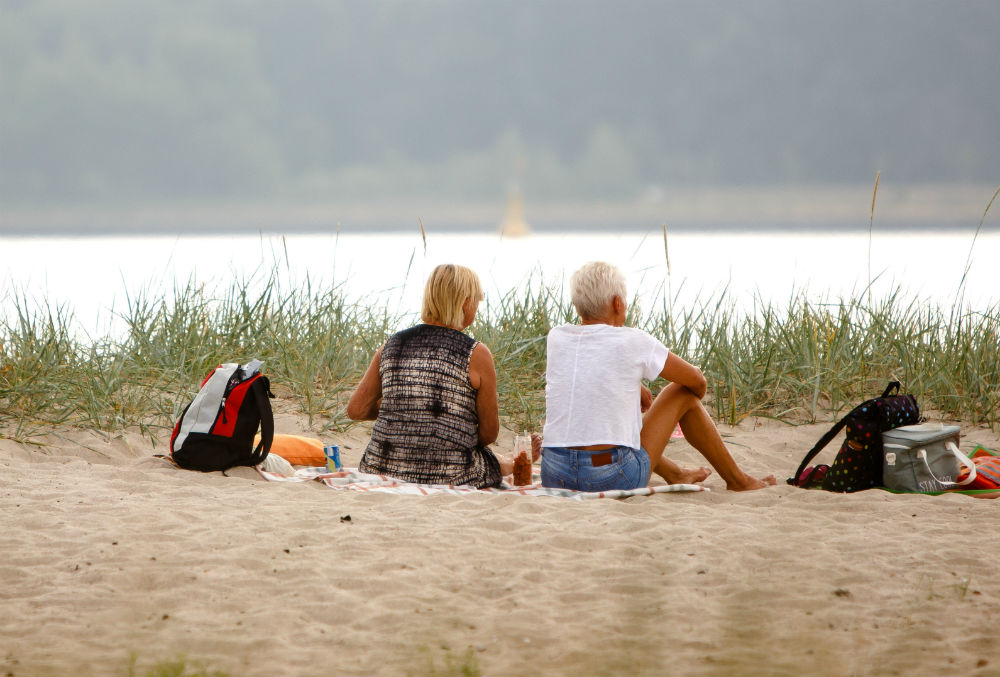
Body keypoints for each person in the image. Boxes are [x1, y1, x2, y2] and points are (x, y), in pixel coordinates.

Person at [541, 261, 776, 492]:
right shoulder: (633, 340)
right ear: (617, 303)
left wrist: (632, 388)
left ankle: (675, 473)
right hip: (609, 476)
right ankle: (738, 480)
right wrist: (687, 404)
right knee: (681, 392)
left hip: (554, 473)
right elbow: (696, 381)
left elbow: (592, 377)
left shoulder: (557, 337)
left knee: (605, 424)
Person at [347, 264, 509, 488]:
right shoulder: (476, 353)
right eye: (476, 301)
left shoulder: (392, 344)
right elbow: (489, 433)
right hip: (450, 475)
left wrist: (401, 407)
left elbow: (356, 410)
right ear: (464, 302)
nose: (477, 307)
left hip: (380, 468)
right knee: (490, 460)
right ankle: (509, 464)